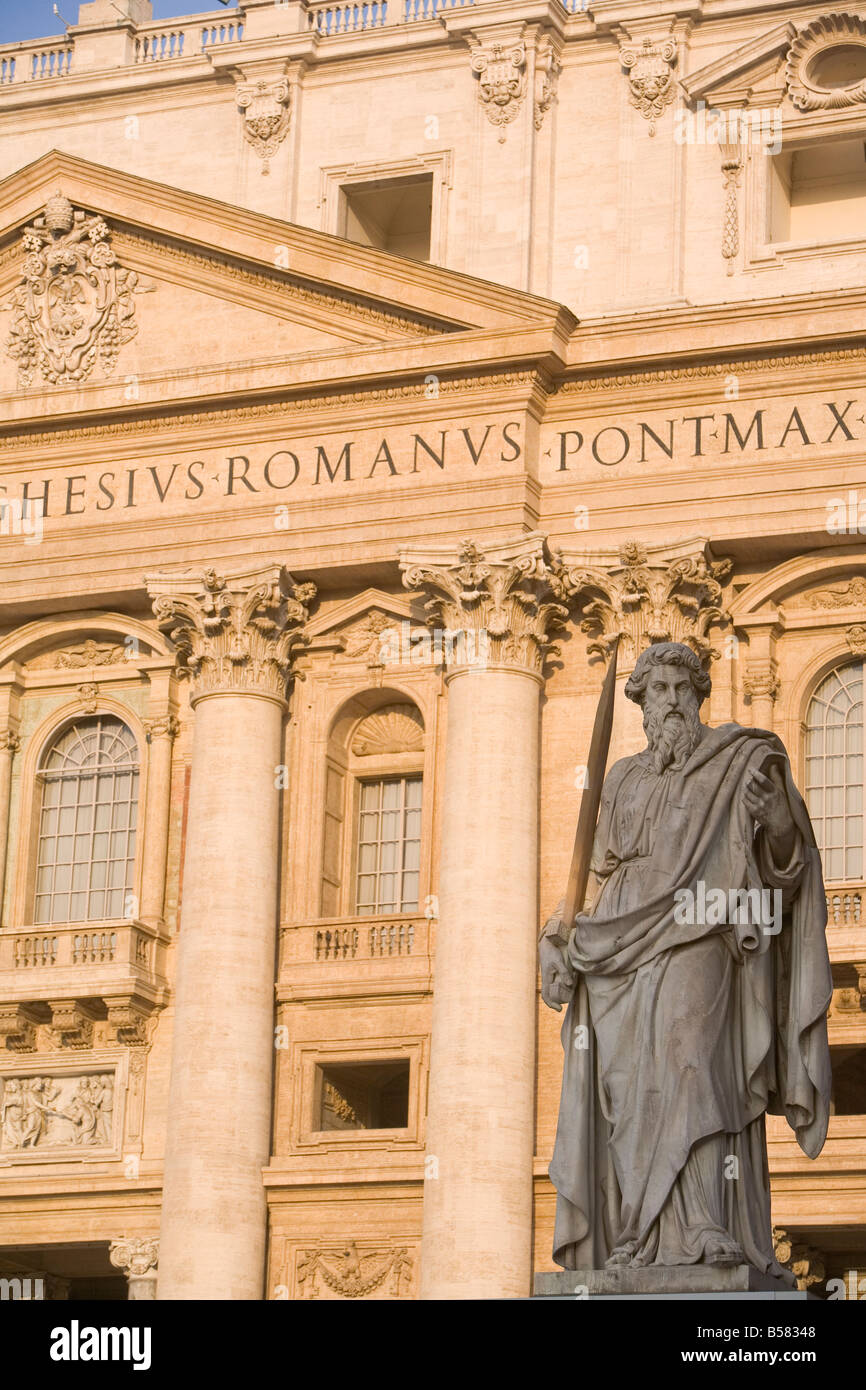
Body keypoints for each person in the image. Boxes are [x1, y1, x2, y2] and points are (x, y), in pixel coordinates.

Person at [540, 641, 831, 1280]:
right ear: (640, 702)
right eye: (658, 690)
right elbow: (591, 874)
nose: (670, 701)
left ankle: (702, 1221)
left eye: (682, 688)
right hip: (616, 950)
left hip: (702, 930)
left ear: (701, 693)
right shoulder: (621, 779)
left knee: (693, 1062)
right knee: (627, 1091)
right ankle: (638, 1235)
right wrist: (555, 936)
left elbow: (787, 872)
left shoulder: (742, 759)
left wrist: (778, 819)